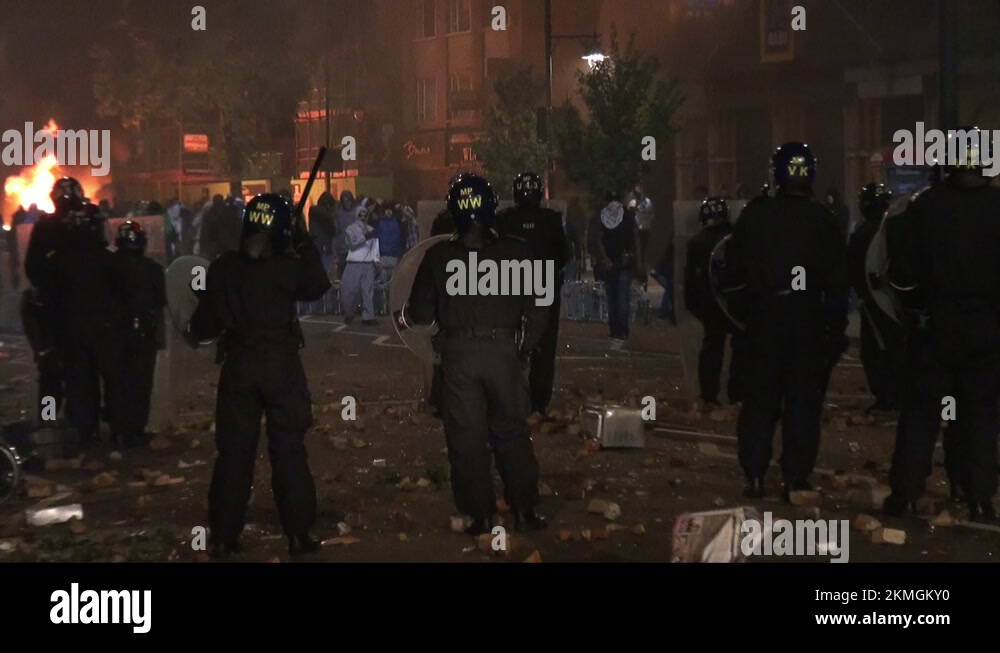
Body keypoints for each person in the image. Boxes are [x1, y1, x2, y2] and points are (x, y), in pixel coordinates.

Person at [188, 193, 331, 558]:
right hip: (281, 366)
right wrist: (302, 238)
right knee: (289, 451)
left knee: (234, 454)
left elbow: (203, 326)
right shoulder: (287, 266)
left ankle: (223, 537)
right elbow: (318, 284)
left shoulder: (222, 268)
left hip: (239, 367)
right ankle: (298, 535)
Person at [407, 173, 547, 535]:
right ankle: (524, 512)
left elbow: (420, 315)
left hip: (460, 356)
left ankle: (480, 516)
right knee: (512, 433)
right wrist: (525, 346)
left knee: (466, 438)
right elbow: (541, 304)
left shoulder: (438, 256)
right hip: (504, 354)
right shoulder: (517, 250)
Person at [883, 127, 1000, 522]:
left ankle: (905, 493)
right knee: (981, 414)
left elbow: (901, 274)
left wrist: (914, 311)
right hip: (987, 327)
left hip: (936, 325)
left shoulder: (924, 207)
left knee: (921, 412)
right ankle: (980, 496)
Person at [726, 143, 848, 500]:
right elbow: (838, 284)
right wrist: (834, 333)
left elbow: (732, 272)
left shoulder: (756, 215)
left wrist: (744, 318)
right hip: (807, 321)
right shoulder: (824, 220)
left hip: (764, 320)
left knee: (760, 401)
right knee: (803, 403)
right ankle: (795, 477)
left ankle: (754, 475)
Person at [45, 178, 124, 447]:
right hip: (100, 321)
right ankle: (118, 429)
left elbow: (41, 281)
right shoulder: (104, 258)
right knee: (109, 376)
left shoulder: (57, 255)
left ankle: (86, 431)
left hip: (75, 322)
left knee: (80, 379)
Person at [496, 172, 569, 418]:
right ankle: (538, 403)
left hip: (512, 290)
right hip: (543, 290)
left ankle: (508, 398)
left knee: (506, 344)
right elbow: (564, 256)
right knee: (544, 348)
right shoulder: (551, 220)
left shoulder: (505, 220)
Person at [109, 221, 165, 448]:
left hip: (114, 333)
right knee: (140, 384)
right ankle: (135, 431)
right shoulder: (152, 269)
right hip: (142, 333)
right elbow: (160, 300)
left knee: (117, 382)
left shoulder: (108, 266)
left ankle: (118, 429)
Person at [846, 183, 900, 412]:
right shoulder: (893, 228)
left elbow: (852, 267)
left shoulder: (865, 232)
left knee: (876, 351)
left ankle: (888, 397)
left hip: (873, 300)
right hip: (891, 299)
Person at [684, 197, 743, 405]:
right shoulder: (738, 237)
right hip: (735, 301)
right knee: (740, 348)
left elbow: (689, 280)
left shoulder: (697, 242)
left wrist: (694, 306)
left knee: (712, 346)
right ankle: (737, 394)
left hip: (710, 303)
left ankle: (709, 395)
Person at [595, 191, 642, 345]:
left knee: (613, 297)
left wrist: (605, 259)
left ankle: (615, 330)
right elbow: (636, 240)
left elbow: (599, 240)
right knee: (622, 297)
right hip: (624, 263)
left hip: (613, 264)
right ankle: (621, 331)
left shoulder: (603, 216)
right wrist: (638, 262)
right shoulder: (627, 216)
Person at [340, 202, 380, 325]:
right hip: (353, 263)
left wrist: (377, 260)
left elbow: (374, 247)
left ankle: (368, 317)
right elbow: (351, 245)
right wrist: (364, 237)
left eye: (365, 216)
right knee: (349, 290)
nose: (363, 218)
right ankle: (349, 313)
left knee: (368, 291)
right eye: (360, 215)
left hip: (367, 264)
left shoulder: (371, 229)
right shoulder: (350, 229)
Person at [374, 201, 405, 289]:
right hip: (383, 256)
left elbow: (402, 238)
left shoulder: (397, 222)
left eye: (390, 209)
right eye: (386, 209)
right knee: (384, 283)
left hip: (393, 256)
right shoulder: (380, 222)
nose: (388, 211)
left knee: (392, 283)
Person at [308, 191, 337, 276]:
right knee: (326, 270)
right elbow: (332, 231)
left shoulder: (314, 213)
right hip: (324, 245)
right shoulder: (326, 217)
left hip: (316, 245)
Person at [334, 190, 359, 277]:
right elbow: (336, 233)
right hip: (343, 249)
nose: (347, 203)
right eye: (345, 201)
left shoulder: (357, 212)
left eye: (348, 201)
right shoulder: (338, 214)